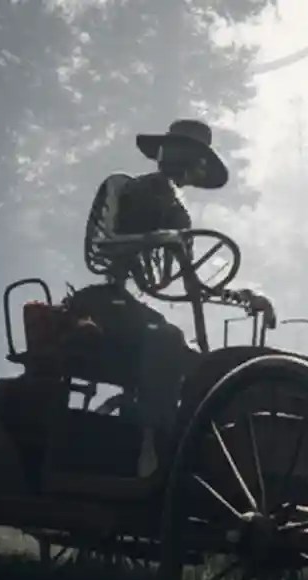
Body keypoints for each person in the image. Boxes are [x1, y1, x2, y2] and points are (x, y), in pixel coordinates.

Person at [73, 119, 230, 477]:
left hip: (129, 305)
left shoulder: (179, 212)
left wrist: (242, 296)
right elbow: (103, 243)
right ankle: (150, 442)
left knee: (193, 357)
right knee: (166, 338)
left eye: (193, 161)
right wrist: (155, 239)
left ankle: (183, 440)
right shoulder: (134, 190)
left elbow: (191, 277)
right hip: (103, 302)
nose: (188, 167)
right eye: (184, 156)